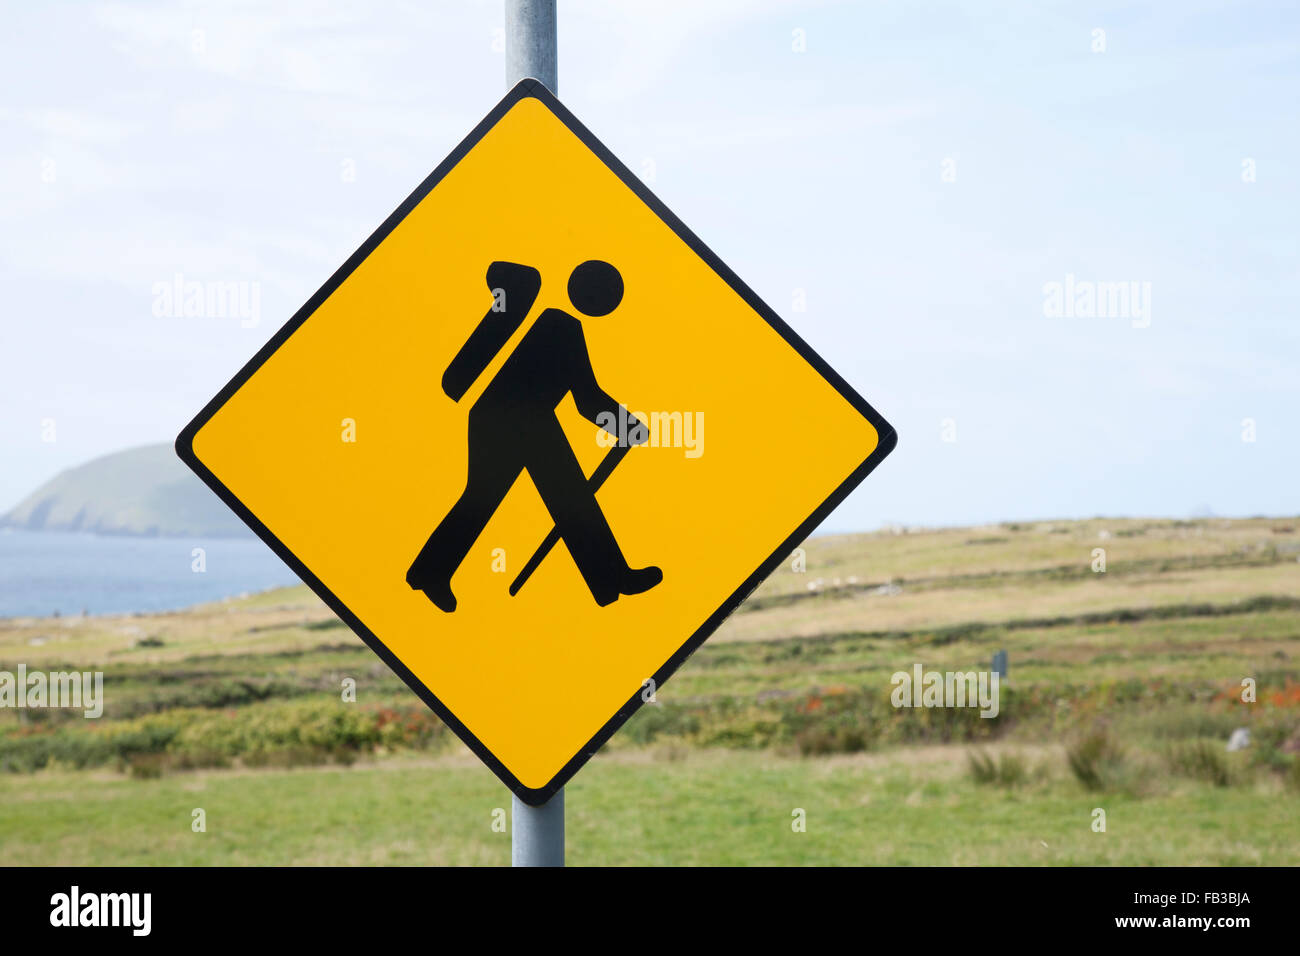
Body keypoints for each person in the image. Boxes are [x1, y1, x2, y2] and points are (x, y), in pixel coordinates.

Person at [407, 260, 663, 612]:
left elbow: (585, 400)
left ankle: (429, 571)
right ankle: (611, 579)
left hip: (510, 419)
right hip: (517, 421)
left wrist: (625, 426)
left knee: (495, 499)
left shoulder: (555, 323)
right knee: (566, 496)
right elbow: (586, 400)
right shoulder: (562, 326)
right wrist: (627, 426)